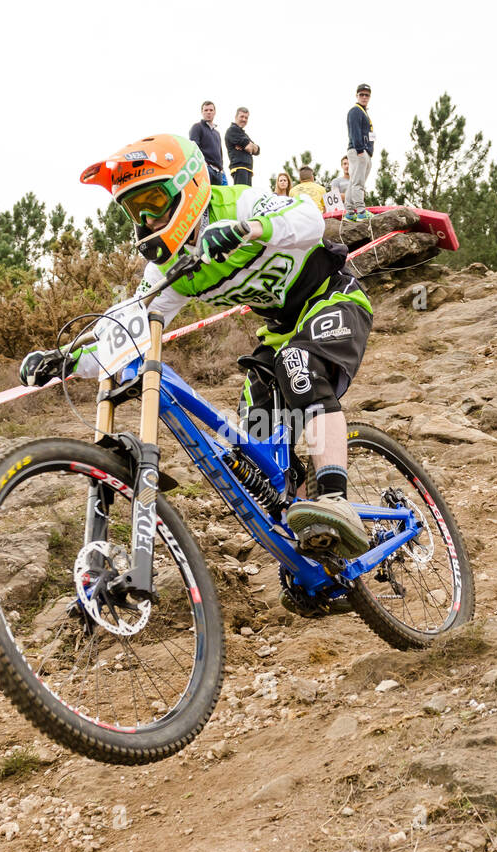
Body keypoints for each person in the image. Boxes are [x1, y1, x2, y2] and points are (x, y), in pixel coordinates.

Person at [20, 134, 374, 557]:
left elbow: (310, 220)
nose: (148, 218)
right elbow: (129, 327)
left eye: (154, 201)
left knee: (299, 366)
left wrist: (249, 229)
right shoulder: (170, 267)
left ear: (188, 188)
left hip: (332, 296)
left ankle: (335, 497)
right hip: (279, 329)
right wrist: (68, 360)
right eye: (137, 209)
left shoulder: (237, 204)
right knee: (252, 445)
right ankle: (316, 548)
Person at [344, 84, 375, 221]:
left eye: (366, 95)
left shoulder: (364, 112)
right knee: (358, 182)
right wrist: (360, 149)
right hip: (359, 151)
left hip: (364, 151)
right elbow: (354, 131)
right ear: (356, 95)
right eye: (361, 94)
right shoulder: (355, 111)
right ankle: (361, 211)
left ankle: (350, 212)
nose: (364, 97)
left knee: (354, 181)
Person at [188, 100, 226, 186]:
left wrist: (221, 169)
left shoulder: (217, 133)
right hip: (206, 169)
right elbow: (194, 147)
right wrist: (202, 164)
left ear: (215, 112)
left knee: (216, 198)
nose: (208, 112)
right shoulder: (197, 127)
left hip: (218, 173)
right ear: (202, 112)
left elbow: (220, 152)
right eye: (206, 110)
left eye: (211, 110)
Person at [225, 108, 260, 187]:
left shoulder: (243, 134)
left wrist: (250, 145)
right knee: (241, 195)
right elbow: (249, 148)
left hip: (248, 169)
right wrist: (249, 146)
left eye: (246, 117)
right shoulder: (232, 130)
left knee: (248, 197)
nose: (244, 119)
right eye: (242, 116)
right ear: (236, 117)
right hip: (239, 168)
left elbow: (257, 151)